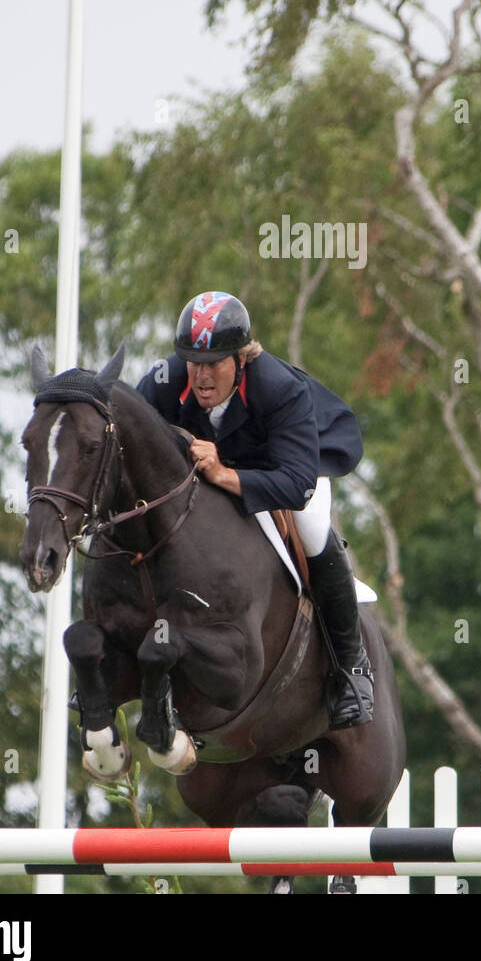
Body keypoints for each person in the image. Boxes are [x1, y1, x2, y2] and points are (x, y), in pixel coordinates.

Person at [136, 289, 374, 729]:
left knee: (313, 528)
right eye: (193, 362)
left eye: (214, 364)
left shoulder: (280, 388)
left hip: (288, 464)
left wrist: (225, 474)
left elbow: (297, 483)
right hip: (208, 467)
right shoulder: (164, 380)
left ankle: (351, 669)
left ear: (241, 359)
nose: (201, 377)